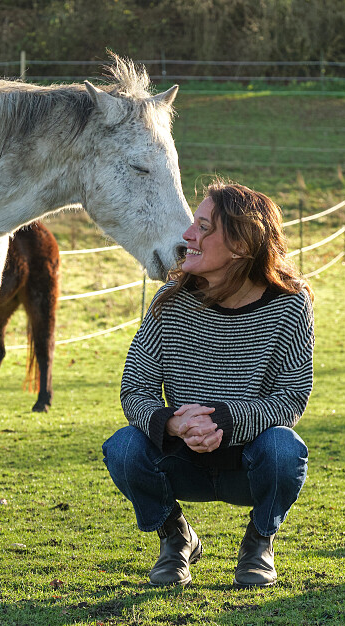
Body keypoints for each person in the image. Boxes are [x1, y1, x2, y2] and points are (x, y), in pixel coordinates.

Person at [102, 179, 314, 588]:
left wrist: (226, 421)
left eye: (203, 226)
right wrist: (173, 424)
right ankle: (176, 538)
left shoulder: (289, 303)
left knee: (286, 450)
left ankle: (259, 542)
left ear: (240, 244)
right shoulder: (171, 299)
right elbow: (135, 389)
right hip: (181, 457)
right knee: (123, 448)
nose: (187, 235)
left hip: (249, 460)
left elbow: (291, 397)